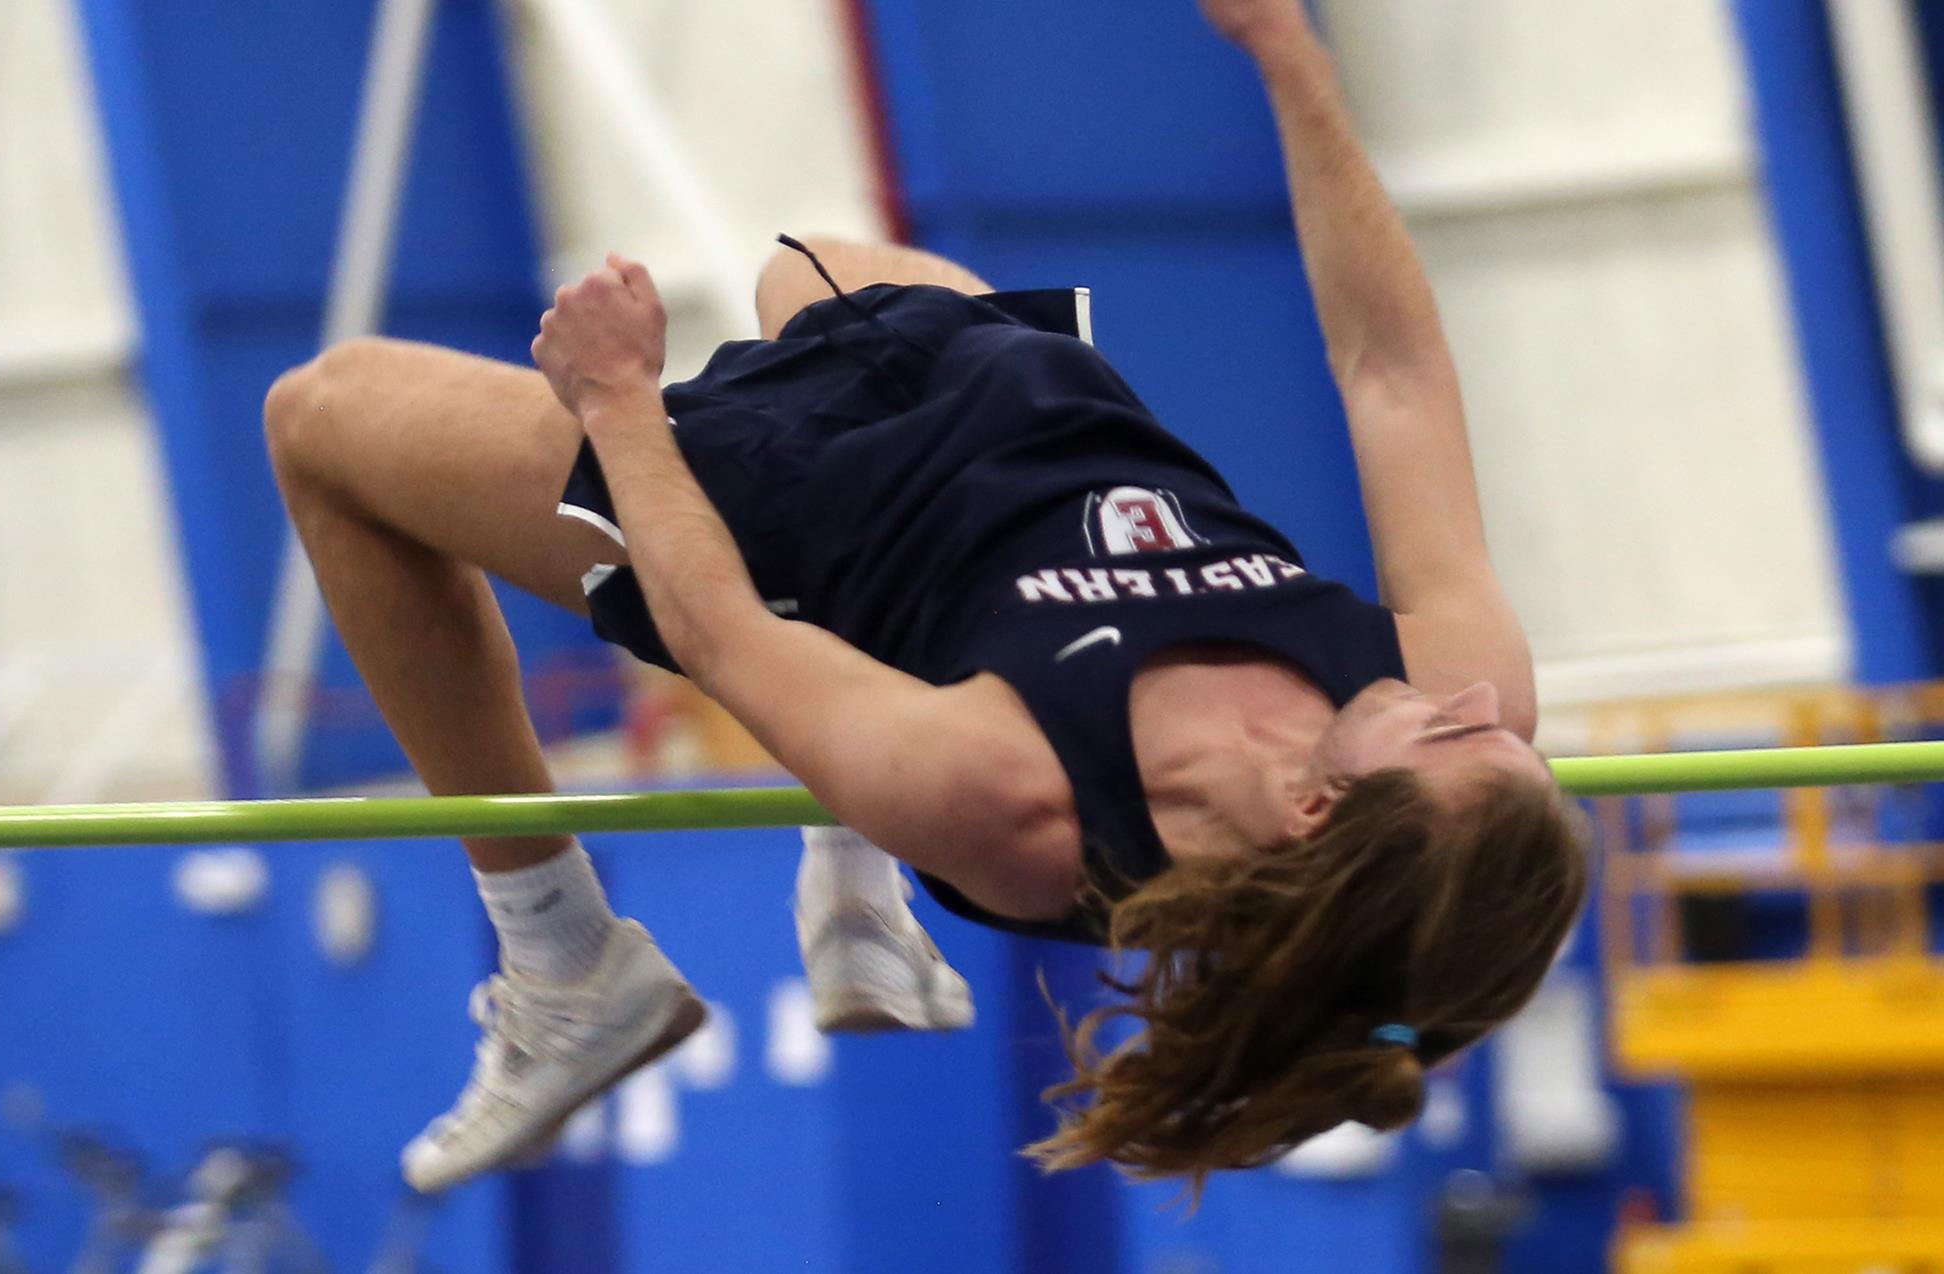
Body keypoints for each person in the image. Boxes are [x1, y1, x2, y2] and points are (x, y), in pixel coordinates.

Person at [262, 0, 1588, 1196]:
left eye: (1461, 737)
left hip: (787, 512)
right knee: (803, 267)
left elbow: (728, 634)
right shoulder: (1444, 671)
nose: (1480, 700)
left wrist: (617, 401)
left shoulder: (1019, 797)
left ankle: (562, 964)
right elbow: (1393, 375)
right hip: (1014, 395)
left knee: (322, 419)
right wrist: (1294, 64)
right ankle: (853, 850)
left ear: (1318, 803)